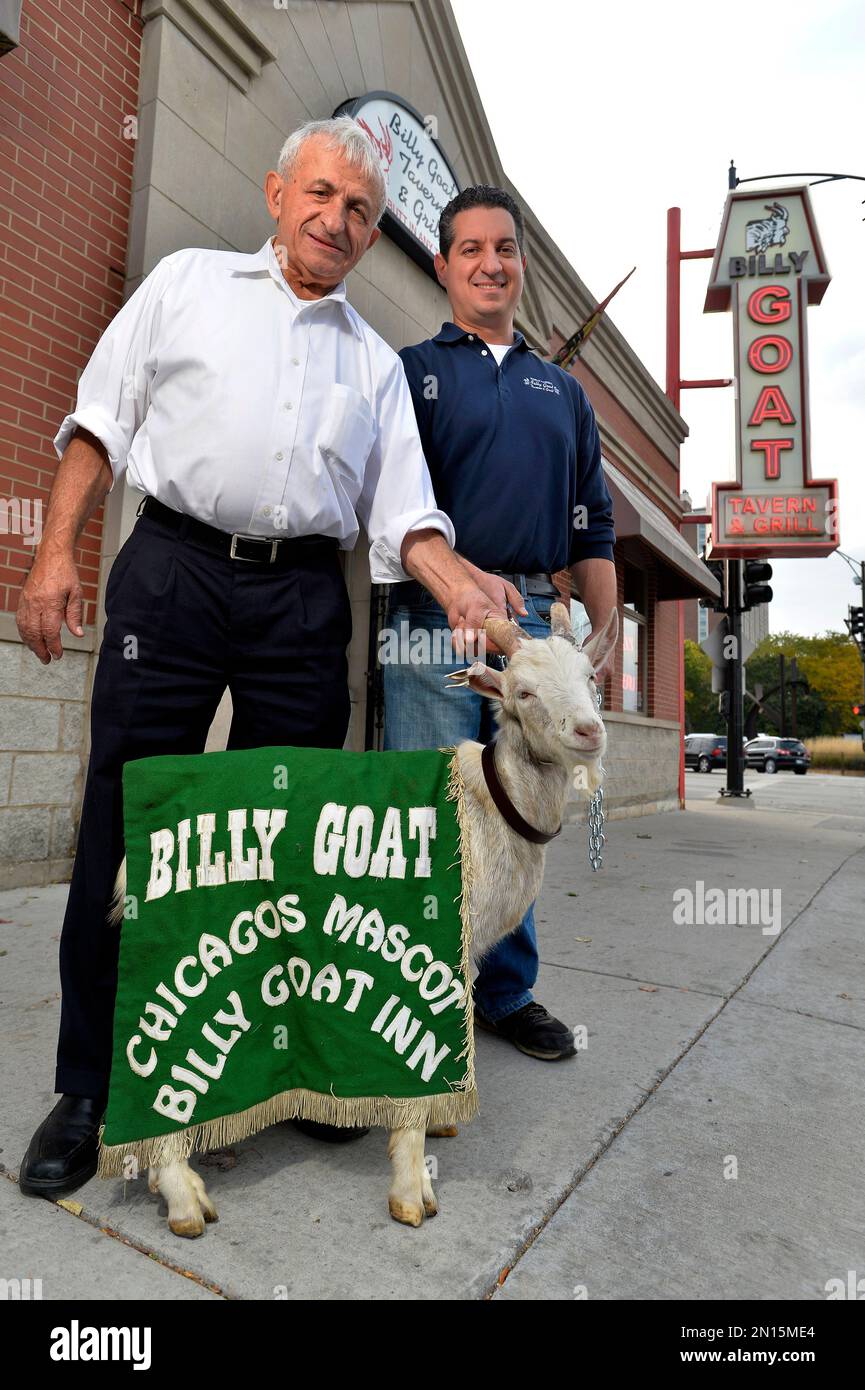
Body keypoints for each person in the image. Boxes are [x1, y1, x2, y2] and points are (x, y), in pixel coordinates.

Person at [16, 121, 519, 1199]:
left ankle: (249, 1072)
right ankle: (92, 1087)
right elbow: (98, 422)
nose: (337, 221)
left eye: (360, 212)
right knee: (128, 818)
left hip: (301, 597)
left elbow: (404, 519)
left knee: (284, 840)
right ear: (277, 190)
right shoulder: (187, 284)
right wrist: (56, 550)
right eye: (322, 195)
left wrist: (461, 585)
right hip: (175, 570)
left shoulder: (373, 365)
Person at [384, 186, 617, 1061]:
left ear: (519, 265)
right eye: (471, 249)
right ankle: (410, 989)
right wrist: (447, 582)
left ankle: (505, 991)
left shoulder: (562, 391)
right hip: (429, 616)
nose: (490, 263)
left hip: (538, 625)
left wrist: (600, 631)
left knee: (525, 810)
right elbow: (389, 500)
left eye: (505, 248)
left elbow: (591, 518)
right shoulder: (411, 372)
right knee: (432, 808)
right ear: (442, 265)